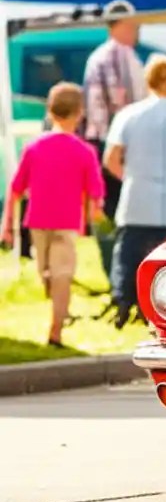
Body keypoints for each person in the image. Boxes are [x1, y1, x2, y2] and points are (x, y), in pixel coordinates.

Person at [103, 57, 166, 328]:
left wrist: (131, 176)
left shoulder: (128, 114)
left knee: (128, 256)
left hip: (138, 196)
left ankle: (123, 304)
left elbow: (112, 158)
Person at [1, 83, 105, 347]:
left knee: (53, 273)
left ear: (50, 111)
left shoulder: (34, 148)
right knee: (55, 275)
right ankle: (61, 311)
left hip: (39, 222)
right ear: (79, 114)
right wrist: (97, 212)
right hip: (67, 223)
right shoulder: (85, 152)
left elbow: (14, 189)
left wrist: (7, 223)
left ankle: (56, 329)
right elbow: (95, 193)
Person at [81, 0, 146, 271]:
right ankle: (126, 280)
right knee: (127, 219)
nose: (138, 30)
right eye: (134, 24)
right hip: (116, 148)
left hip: (105, 146)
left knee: (112, 216)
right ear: (122, 24)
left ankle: (120, 281)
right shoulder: (117, 55)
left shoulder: (100, 55)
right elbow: (124, 106)